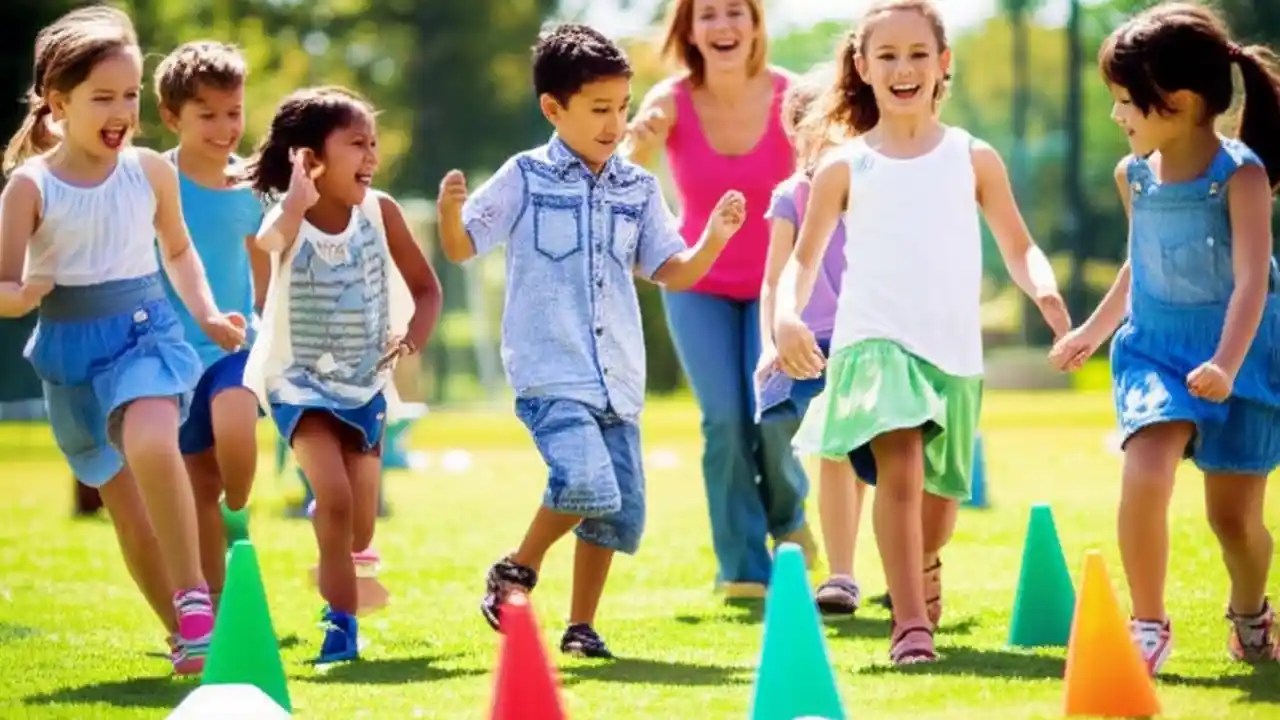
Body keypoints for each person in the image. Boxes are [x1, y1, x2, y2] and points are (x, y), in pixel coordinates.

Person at [436, 23, 746, 658]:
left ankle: (581, 627)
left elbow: (674, 270)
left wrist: (714, 238)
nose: (615, 123)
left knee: (617, 514)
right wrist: (448, 213)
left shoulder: (638, 189)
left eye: (622, 108)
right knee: (588, 487)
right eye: (599, 109)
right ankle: (516, 570)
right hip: (552, 373)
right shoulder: (525, 176)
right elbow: (463, 245)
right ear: (554, 108)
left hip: (619, 378)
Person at [774, 0, 1069, 664]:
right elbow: (803, 257)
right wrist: (786, 316)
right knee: (899, 468)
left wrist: (1045, 291)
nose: (903, 69)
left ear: (943, 63)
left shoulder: (974, 157)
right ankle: (910, 627)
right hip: (874, 343)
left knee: (934, 516)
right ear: (863, 66)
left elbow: (1019, 247)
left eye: (916, 54)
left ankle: (923, 563)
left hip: (954, 355)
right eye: (886, 56)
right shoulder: (845, 166)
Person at [0, 5, 246, 675]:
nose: (121, 110)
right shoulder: (29, 187)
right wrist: (21, 295)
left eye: (130, 95)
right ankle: (187, 633)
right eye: (102, 97)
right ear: (57, 103)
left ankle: (196, 589)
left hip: (144, 334)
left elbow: (179, 253)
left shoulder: (149, 172)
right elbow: (5, 283)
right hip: (69, 357)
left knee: (148, 438)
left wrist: (208, 314)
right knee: (127, 514)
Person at [1049, 2, 1280, 673]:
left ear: (1177, 102)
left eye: (1127, 101)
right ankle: (1147, 623)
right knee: (1145, 469)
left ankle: (1250, 608)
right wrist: (1094, 332)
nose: (1118, 115)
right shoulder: (1136, 175)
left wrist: (1227, 364)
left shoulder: (1241, 177)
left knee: (1234, 522)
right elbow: (1139, 264)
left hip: (1239, 354)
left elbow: (1250, 285)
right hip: (1155, 350)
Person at [242, 86, 443, 663]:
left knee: (357, 529)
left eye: (373, 144)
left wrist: (413, 340)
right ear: (310, 158)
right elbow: (268, 241)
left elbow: (427, 289)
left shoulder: (382, 213)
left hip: (365, 386)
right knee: (332, 499)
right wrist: (296, 200)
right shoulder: (286, 218)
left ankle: (334, 538)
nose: (372, 157)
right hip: (297, 383)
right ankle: (341, 624)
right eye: (358, 144)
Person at [623, 0, 811, 599]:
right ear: (690, 30)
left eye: (737, 12)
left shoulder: (794, 99)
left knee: (777, 412)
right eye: (708, 14)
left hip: (776, 287)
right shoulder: (670, 101)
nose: (723, 25)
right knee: (724, 421)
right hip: (697, 284)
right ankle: (742, 568)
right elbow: (631, 164)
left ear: (756, 25)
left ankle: (790, 523)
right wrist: (642, 144)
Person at [153, 40, 269, 611]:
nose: (226, 128)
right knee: (195, 483)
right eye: (209, 115)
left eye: (234, 112)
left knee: (235, 418)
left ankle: (240, 497)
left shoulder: (251, 189)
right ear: (172, 117)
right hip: (167, 354)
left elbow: (263, 262)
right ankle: (214, 599)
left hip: (234, 343)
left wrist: (272, 329)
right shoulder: (154, 181)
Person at [754, 68, 867, 617]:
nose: (827, 136)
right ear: (795, 134)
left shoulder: (874, 184)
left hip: (871, 341)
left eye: (838, 122)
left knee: (867, 456)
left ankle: (879, 568)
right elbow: (774, 279)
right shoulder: (792, 196)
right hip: (813, 346)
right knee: (834, 451)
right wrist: (769, 339)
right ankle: (840, 571)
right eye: (814, 126)